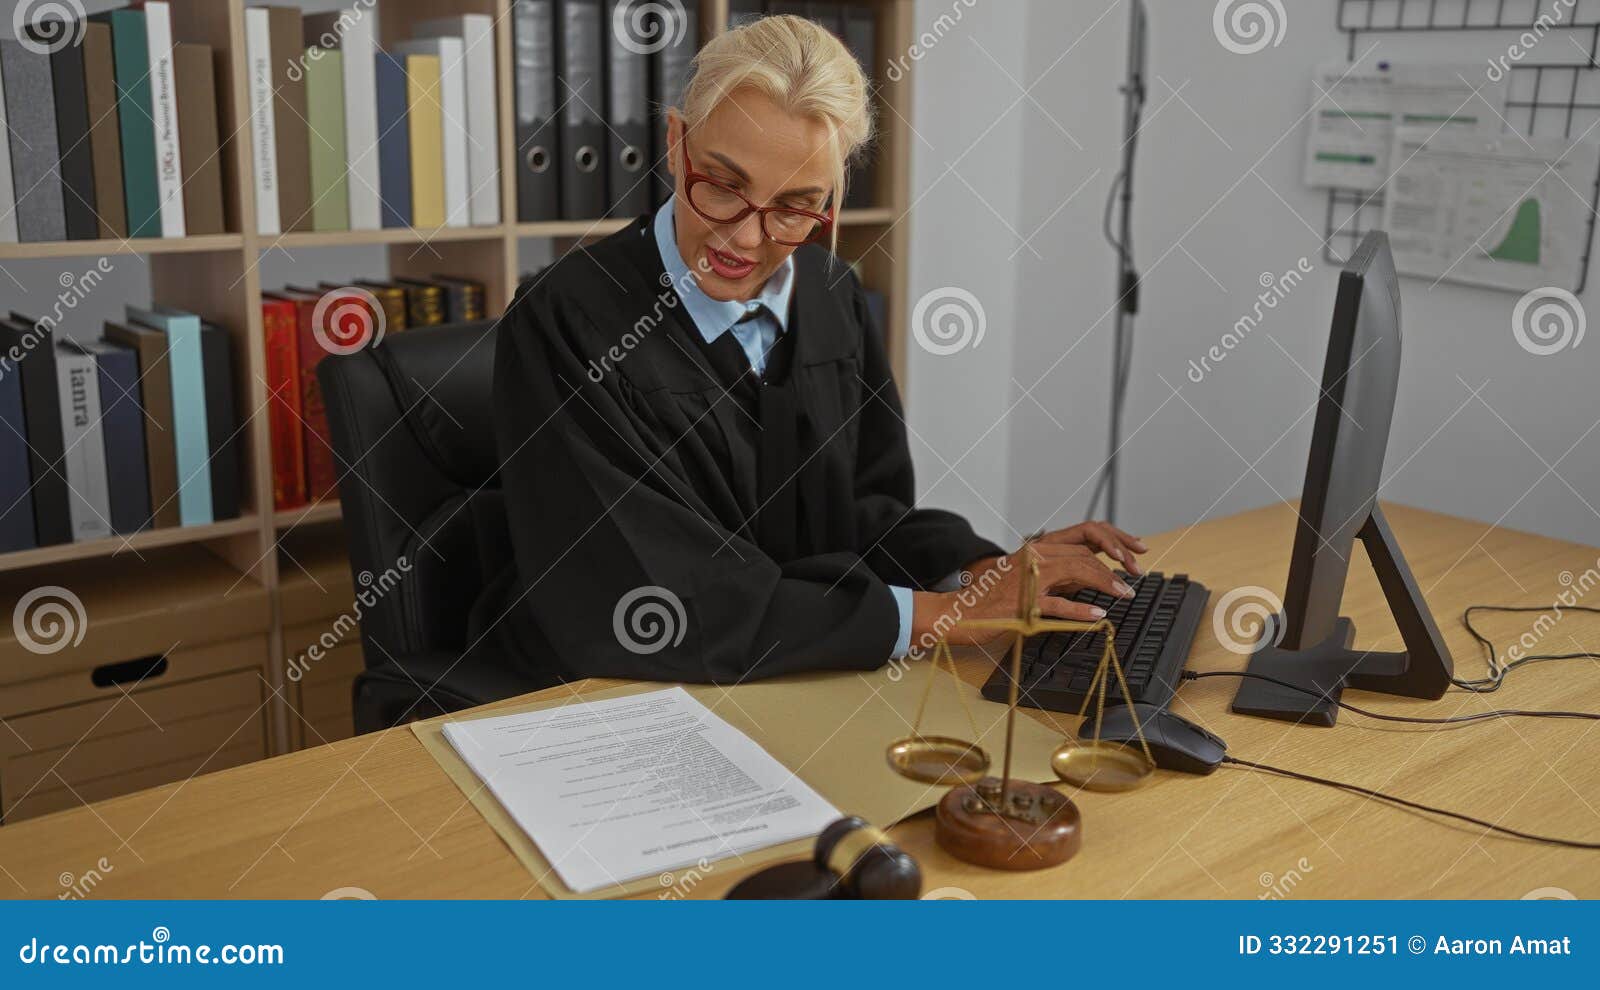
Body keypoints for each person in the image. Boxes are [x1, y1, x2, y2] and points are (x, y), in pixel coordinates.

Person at [472, 15, 1146, 683]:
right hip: (607, 695)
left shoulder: (830, 294)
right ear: (676, 144)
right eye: (724, 186)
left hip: (798, 673)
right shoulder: (569, 321)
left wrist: (977, 570)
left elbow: (868, 512)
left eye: (794, 206)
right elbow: (647, 589)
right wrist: (933, 615)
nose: (743, 239)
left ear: (830, 198)